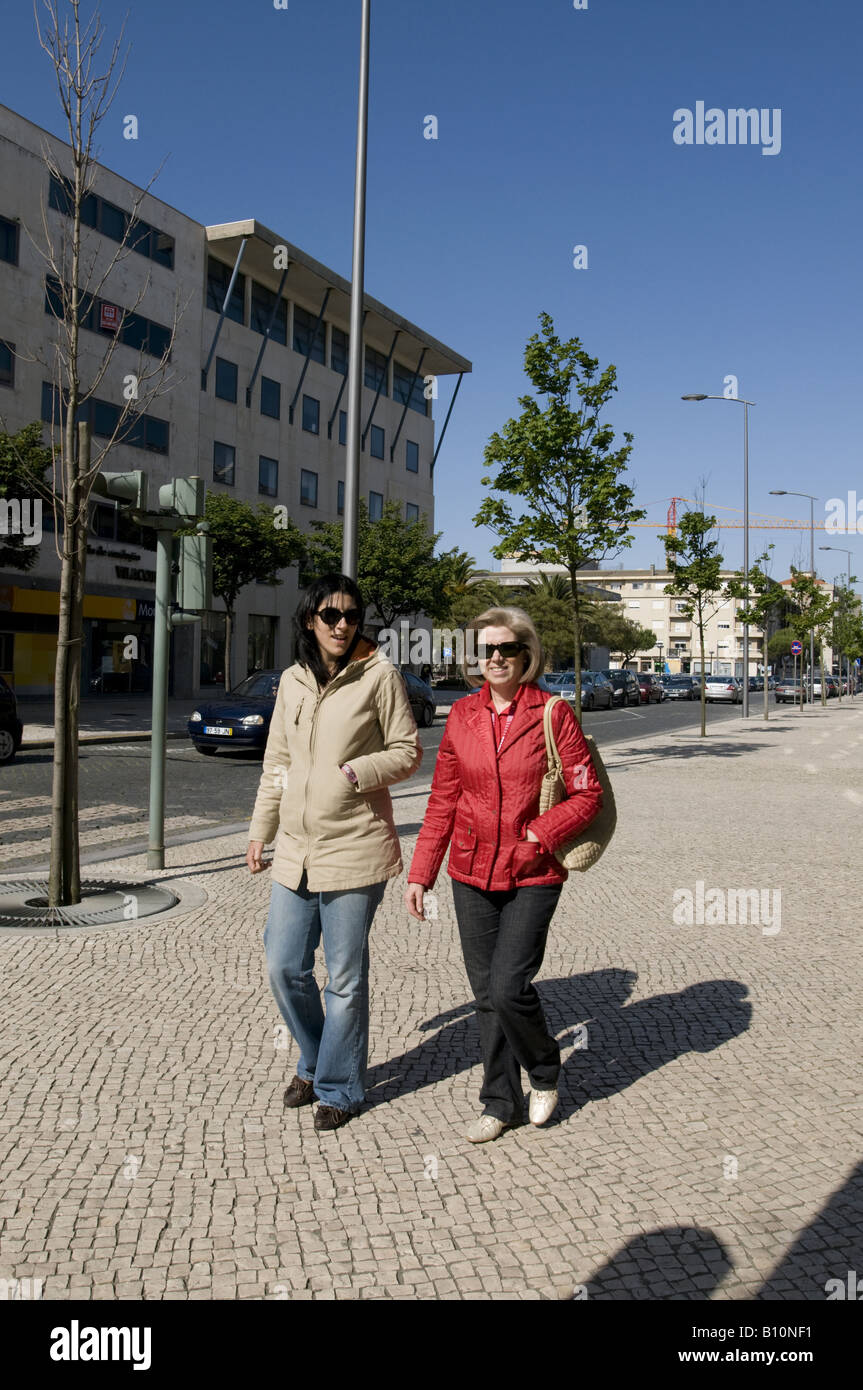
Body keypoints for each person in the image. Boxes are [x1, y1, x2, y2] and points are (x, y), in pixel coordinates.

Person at [405, 608, 603, 1143]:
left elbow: (589, 793)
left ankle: (544, 1070)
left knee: (509, 985)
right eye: (487, 649)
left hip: (533, 873)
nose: (496, 658)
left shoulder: (552, 713)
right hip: (469, 871)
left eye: (508, 649)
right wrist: (421, 872)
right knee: (486, 996)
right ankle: (499, 1101)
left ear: (526, 654)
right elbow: (444, 798)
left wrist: (542, 832)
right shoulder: (462, 714)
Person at [248, 574, 421, 1132]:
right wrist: (260, 831)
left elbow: (408, 751)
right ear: (308, 620)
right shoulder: (293, 681)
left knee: (344, 977)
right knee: (283, 964)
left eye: (351, 614)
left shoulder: (380, 675)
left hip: (355, 846)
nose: (342, 624)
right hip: (296, 849)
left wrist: (359, 770)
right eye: (330, 615)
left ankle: (339, 1087)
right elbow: (277, 759)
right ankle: (318, 1058)